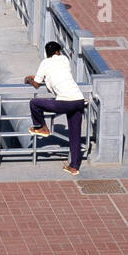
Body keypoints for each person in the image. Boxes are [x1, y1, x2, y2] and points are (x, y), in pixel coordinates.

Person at [25, 41, 86, 175]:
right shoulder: (64, 60)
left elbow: (36, 84)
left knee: (34, 103)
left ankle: (41, 127)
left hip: (65, 103)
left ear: (47, 53)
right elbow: (57, 76)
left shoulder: (45, 63)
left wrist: (29, 79)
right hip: (79, 100)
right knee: (75, 135)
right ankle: (74, 166)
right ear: (58, 52)